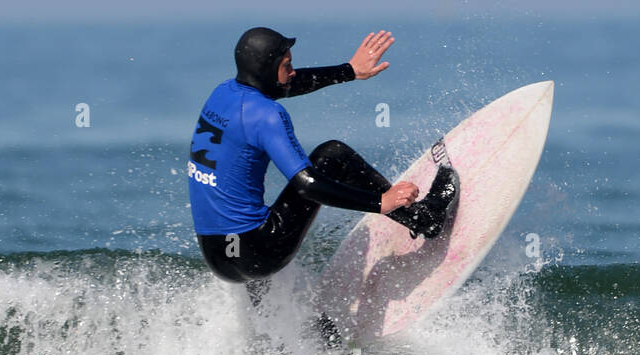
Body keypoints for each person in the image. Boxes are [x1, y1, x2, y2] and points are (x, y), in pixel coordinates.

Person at [186, 27, 459, 289]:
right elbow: (307, 185)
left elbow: (286, 85)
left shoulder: (222, 94)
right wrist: (381, 202)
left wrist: (349, 71)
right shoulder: (267, 115)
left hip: (218, 257)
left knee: (246, 206)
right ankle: (424, 219)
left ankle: (283, 324)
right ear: (267, 70)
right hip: (258, 252)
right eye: (286, 66)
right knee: (332, 156)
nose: (293, 72)